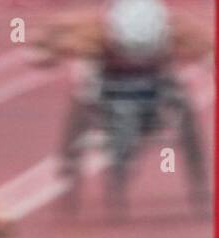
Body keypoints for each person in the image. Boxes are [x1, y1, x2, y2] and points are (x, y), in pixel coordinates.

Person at [33, 0, 212, 206]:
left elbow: (49, 46)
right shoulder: (94, 29)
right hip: (131, 91)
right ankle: (198, 175)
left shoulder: (90, 27)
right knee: (183, 107)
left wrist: (45, 54)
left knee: (81, 97)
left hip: (134, 92)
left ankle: (68, 163)